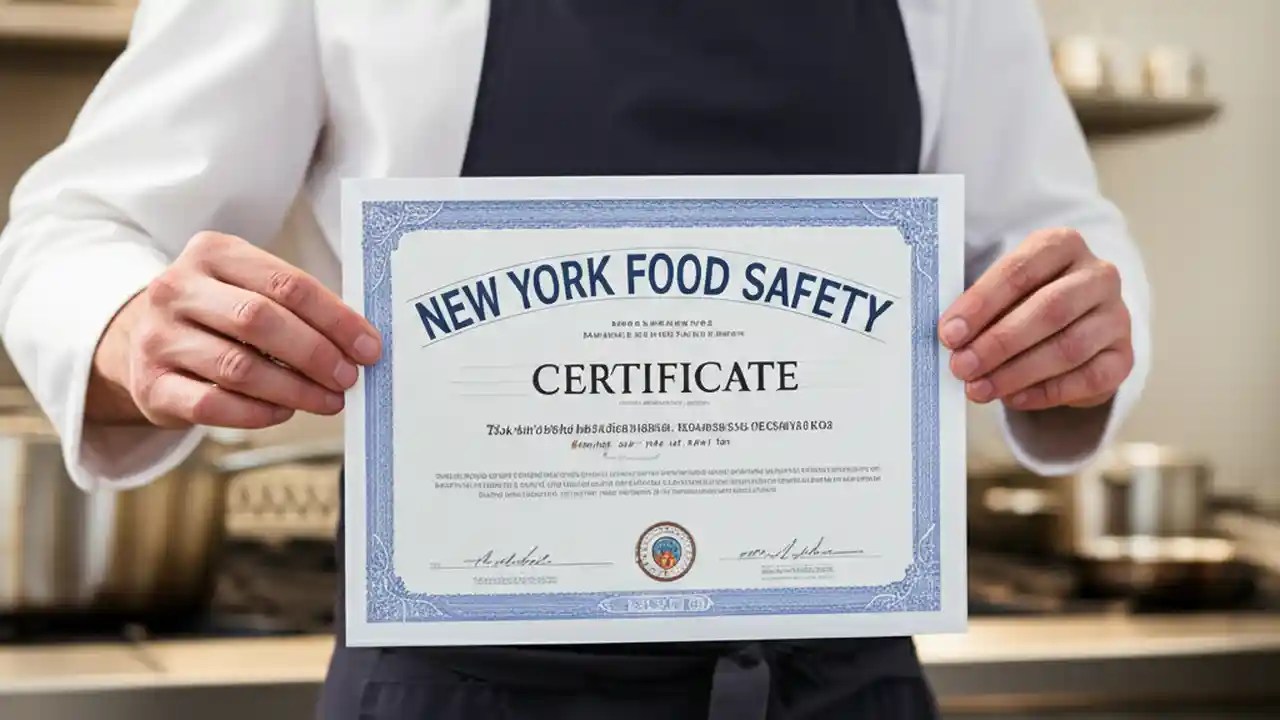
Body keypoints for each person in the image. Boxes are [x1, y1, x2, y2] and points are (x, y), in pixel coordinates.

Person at [0, 1, 1150, 718]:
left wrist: (1076, 327)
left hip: (844, 683)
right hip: (459, 694)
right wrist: (124, 322)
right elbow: (75, 228)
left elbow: (1055, 232)